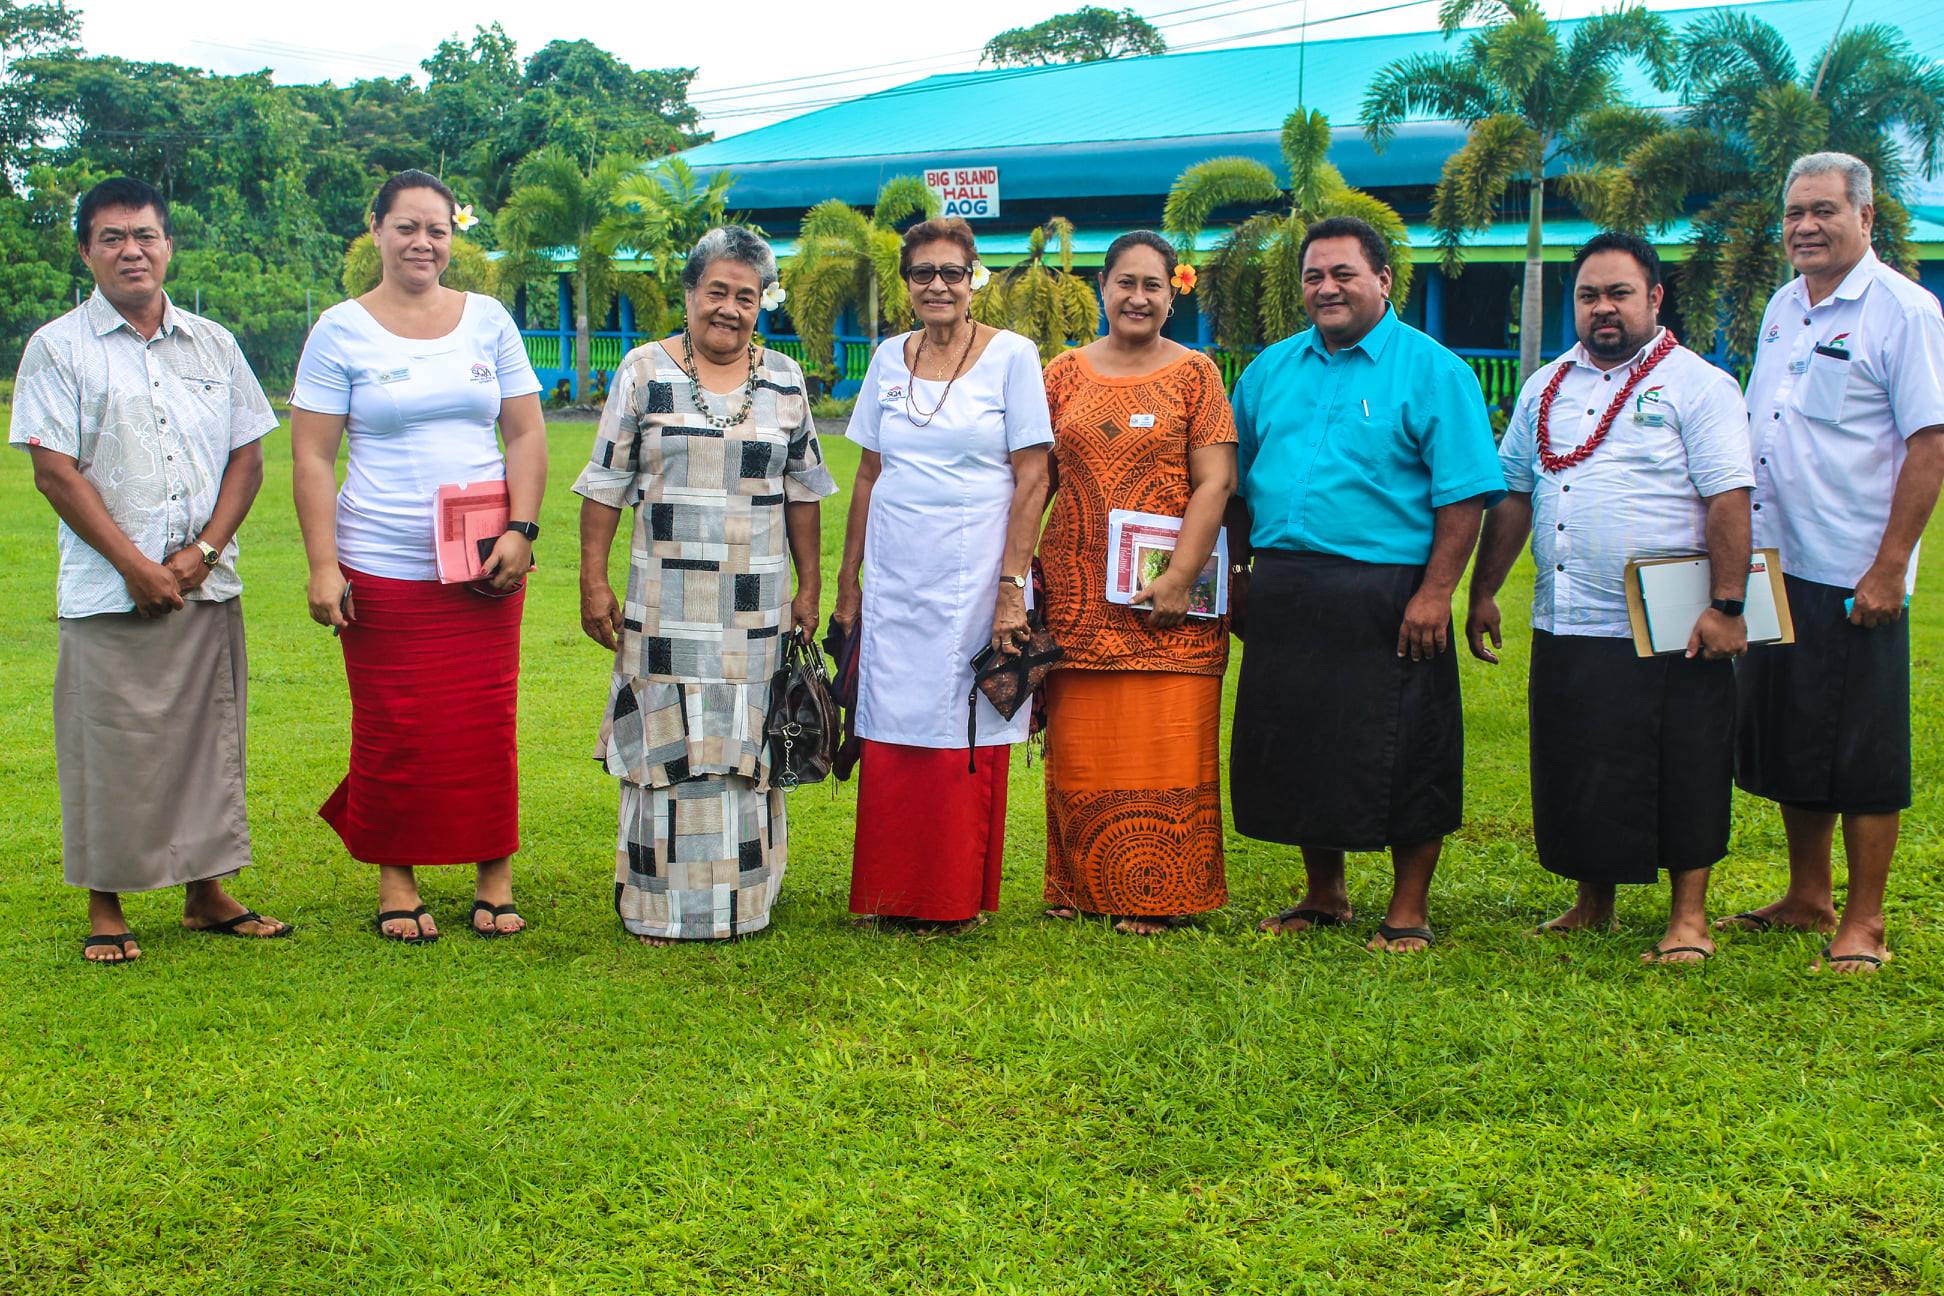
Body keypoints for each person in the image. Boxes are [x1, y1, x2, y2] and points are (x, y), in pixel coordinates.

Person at [10, 176, 290, 963]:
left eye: (145, 235)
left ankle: (207, 892)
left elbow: (248, 456)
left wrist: (199, 554)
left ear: (167, 244)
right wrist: (136, 566)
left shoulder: (213, 343)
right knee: (109, 743)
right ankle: (107, 903)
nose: (131, 250)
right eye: (112, 238)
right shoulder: (58, 347)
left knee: (210, 738)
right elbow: (54, 471)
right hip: (107, 589)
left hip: (205, 580)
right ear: (86, 252)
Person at [1467, 232, 1753, 964]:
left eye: (1619, 293)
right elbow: (1515, 497)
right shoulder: (1544, 385)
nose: (1603, 309)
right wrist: (1485, 591)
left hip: (1671, 618)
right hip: (1569, 615)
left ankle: (1689, 917)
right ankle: (1592, 902)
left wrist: (1726, 607)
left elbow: (1729, 498)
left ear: (1654, 298)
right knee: (1578, 759)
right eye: (1589, 295)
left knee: (1683, 760)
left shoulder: (1700, 385)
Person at [1228, 215, 1504, 952]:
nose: (1327, 288)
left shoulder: (1435, 370)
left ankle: (1408, 910)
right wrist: (1241, 572)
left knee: (1407, 748)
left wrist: (1436, 592)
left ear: (1383, 281)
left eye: (1343, 273)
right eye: (1313, 276)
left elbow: (1465, 495)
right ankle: (1326, 895)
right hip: (1286, 584)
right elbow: (1231, 484)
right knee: (1300, 745)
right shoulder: (1270, 372)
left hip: (1389, 592)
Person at [290, 169, 546, 943]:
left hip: (484, 565)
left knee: (484, 720)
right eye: (407, 226)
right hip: (381, 561)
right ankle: (396, 879)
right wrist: (324, 565)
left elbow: (527, 433)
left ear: (451, 237)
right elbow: (311, 457)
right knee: (392, 724)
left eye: (437, 228)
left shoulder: (488, 320)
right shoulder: (340, 329)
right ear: (375, 231)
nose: (423, 242)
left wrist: (521, 532)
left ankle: (491, 876)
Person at [575, 226, 836, 944]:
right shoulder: (642, 371)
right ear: (689, 295)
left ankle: (744, 903)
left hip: (753, 602)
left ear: (761, 306)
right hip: (661, 600)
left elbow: (804, 493)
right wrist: (592, 582)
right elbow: (603, 484)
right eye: (716, 292)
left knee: (744, 743)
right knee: (667, 747)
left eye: (745, 297)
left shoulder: (783, 379)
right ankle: (657, 905)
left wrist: (808, 588)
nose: (729, 308)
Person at [1727, 152, 1944, 973]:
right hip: (1776, 563)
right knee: (1791, 731)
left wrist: (1890, 568)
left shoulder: (1905, 312)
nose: (1805, 227)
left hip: (1855, 571)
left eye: (1823, 210)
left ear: (1867, 219)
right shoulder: (1784, 307)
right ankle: (1807, 895)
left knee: (1863, 751)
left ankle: (1866, 922)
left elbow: (1930, 443)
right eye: (1794, 213)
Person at [832, 217, 1054, 932]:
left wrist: (1011, 589)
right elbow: (868, 472)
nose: (938, 285)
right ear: (907, 284)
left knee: (960, 730)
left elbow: (1033, 477)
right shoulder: (887, 360)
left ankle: (950, 897)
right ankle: (889, 892)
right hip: (896, 577)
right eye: (923, 273)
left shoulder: (1013, 356)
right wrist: (847, 581)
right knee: (893, 728)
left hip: (974, 577)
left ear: (972, 277)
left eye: (951, 273)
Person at [1038, 231, 1237, 936]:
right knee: (1083, 743)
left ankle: (1158, 891)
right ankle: (1078, 881)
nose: (1138, 297)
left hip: (1169, 599)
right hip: (1078, 593)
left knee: (1167, 737)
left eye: (1153, 285)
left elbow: (1217, 478)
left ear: (1172, 295)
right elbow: (1037, 479)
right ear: (1103, 288)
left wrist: (1181, 575)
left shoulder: (1196, 374)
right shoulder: (1062, 373)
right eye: (1126, 282)